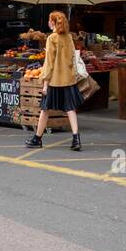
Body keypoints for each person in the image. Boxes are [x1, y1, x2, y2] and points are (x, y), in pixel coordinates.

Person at [24, 10, 83, 151]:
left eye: (49, 20)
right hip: (68, 79)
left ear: (53, 22)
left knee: (45, 109)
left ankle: (37, 138)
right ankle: (76, 139)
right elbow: (72, 59)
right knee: (70, 109)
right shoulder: (68, 37)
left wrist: (45, 82)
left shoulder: (52, 38)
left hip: (54, 80)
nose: (48, 22)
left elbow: (49, 63)